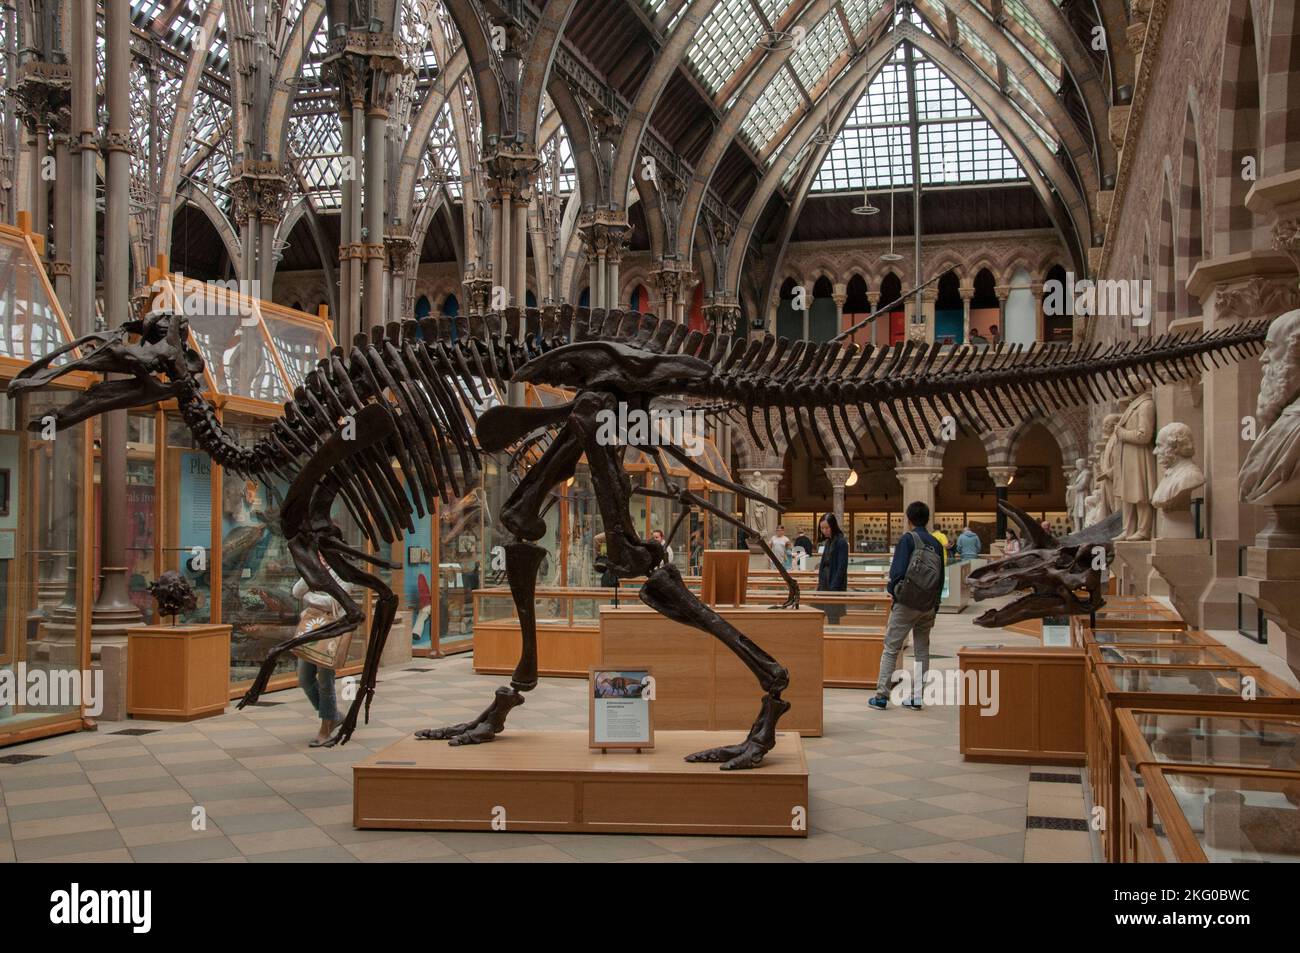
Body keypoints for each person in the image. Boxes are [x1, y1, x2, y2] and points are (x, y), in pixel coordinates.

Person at [869, 501, 944, 712]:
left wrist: (894, 592)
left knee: (891, 648)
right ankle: (917, 697)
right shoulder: (936, 543)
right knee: (922, 651)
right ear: (927, 519)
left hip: (906, 603)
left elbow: (897, 571)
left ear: (908, 519)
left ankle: (882, 695)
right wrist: (935, 604)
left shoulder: (908, 539)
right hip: (927, 604)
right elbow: (941, 577)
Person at [293, 563, 346, 747]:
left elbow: (334, 602)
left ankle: (326, 727)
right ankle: (333, 715)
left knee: (325, 679)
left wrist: (308, 596)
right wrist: (312, 569)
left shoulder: (343, 571)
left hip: (332, 629)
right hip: (311, 628)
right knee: (304, 678)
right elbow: (296, 591)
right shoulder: (314, 567)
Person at [816, 513, 848, 592]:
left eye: (827, 528)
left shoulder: (841, 542)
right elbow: (823, 563)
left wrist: (834, 587)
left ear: (833, 526)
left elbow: (842, 567)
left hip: (835, 583)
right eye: (822, 528)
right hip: (825, 580)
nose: (824, 531)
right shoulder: (828, 541)